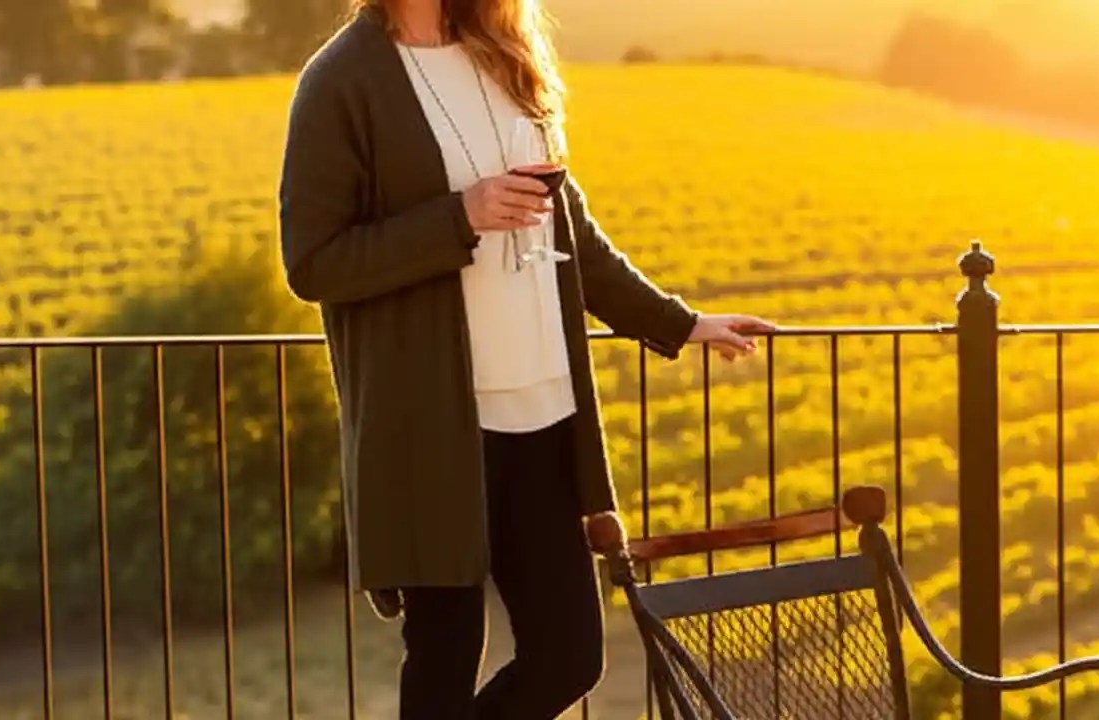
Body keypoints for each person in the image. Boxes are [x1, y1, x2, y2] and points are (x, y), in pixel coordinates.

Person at [277, 0, 778, 717]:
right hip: (432, 426)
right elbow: (314, 263)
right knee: (445, 653)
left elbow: (573, 233)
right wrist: (461, 216)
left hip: (543, 413)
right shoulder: (340, 82)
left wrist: (679, 322)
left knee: (570, 655)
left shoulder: (501, 52)